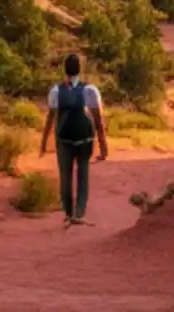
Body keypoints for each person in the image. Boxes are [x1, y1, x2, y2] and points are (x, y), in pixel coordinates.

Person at [40, 53, 107, 225]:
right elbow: (99, 121)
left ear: (65, 69)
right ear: (80, 69)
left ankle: (68, 213)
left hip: (64, 140)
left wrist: (43, 143)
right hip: (85, 140)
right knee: (83, 175)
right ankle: (79, 212)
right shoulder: (90, 90)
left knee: (65, 176)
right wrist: (103, 144)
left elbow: (50, 119)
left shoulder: (56, 91)